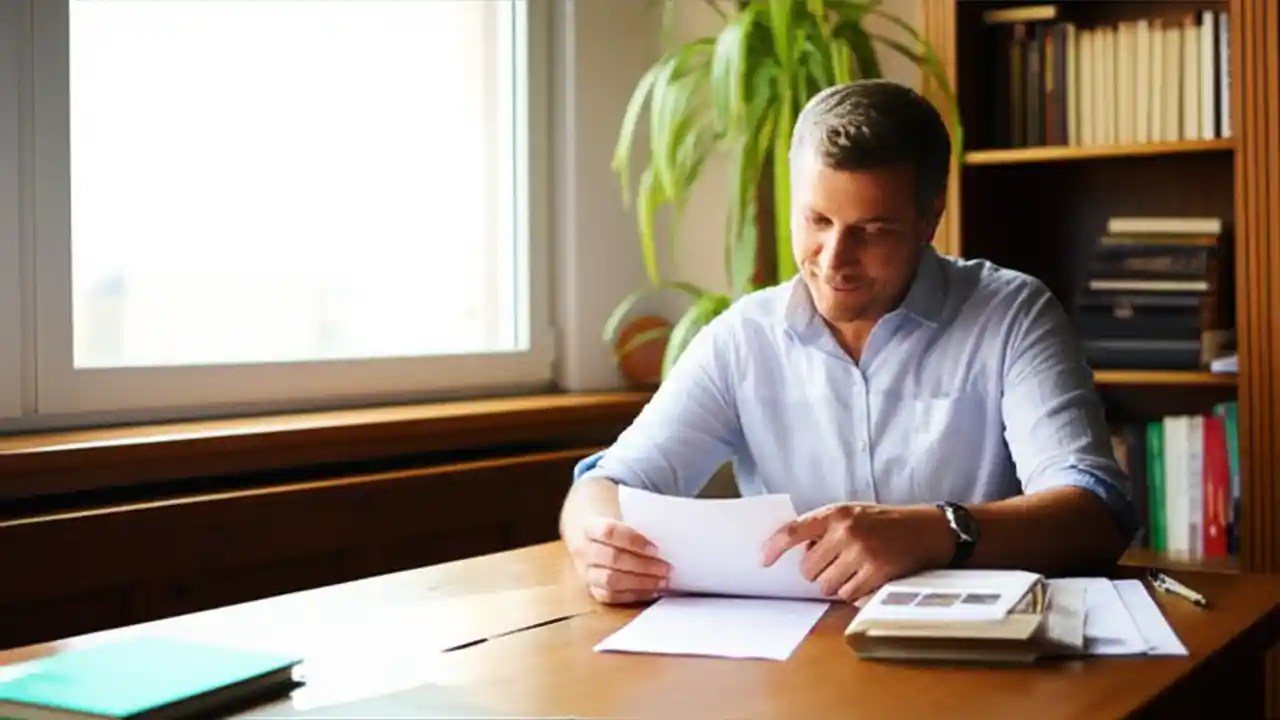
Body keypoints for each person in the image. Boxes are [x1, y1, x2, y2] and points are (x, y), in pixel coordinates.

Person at [560, 79, 1135, 606]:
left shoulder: (1011, 315)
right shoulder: (742, 340)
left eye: (872, 230)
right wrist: (600, 543)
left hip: (979, 655)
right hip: (793, 663)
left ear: (929, 215)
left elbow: (1095, 511)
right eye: (817, 221)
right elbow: (605, 485)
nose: (835, 260)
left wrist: (932, 531)